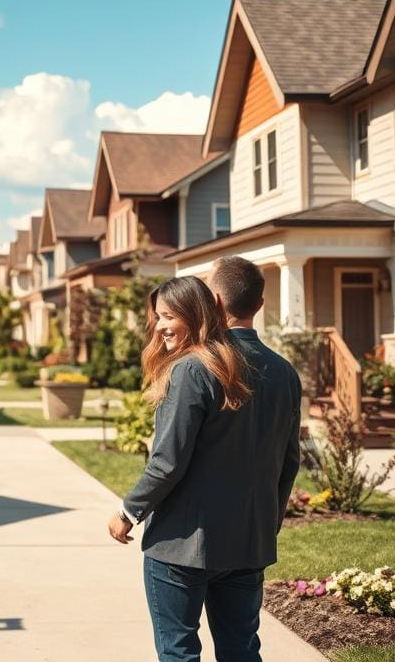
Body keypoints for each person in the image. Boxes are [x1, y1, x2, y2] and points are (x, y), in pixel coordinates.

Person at [107, 260, 301, 662]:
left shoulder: (192, 368)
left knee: (179, 653)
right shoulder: (285, 373)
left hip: (181, 545)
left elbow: (168, 461)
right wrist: (268, 522)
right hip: (248, 543)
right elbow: (289, 461)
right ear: (260, 303)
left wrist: (128, 511)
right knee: (241, 651)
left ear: (212, 301)